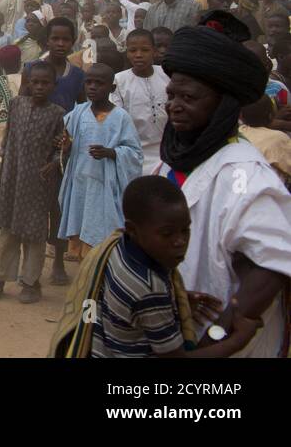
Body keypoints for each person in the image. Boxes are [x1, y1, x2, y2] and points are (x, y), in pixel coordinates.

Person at [152, 18, 291, 357]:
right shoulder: (172, 162)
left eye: (188, 97)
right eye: (171, 95)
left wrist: (222, 333)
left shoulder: (247, 174)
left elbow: (273, 262)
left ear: (222, 104)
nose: (174, 105)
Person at [50, 176, 262, 358]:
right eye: (167, 234)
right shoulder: (149, 289)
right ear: (133, 229)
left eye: (185, 230)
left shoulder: (115, 248)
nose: (180, 241)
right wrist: (237, 342)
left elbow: (102, 301)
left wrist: (174, 300)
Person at [0, 60, 65, 304]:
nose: (39, 87)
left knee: (35, 234)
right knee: (7, 231)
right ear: (27, 83)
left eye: (45, 83)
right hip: (12, 179)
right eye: (34, 82)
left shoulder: (58, 114)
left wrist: (54, 160)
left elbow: (61, 148)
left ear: (53, 85)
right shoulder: (17, 105)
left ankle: (30, 282)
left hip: (39, 184)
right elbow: (6, 143)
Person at [57, 63, 143, 261]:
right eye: (89, 82)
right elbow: (65, 141)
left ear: (112, 88)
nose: (93, 87)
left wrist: (112, 153)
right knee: (80, 238)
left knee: (102, 241)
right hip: (80, 185)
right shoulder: (77, 113)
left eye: (99, 83)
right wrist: (66, 146)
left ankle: (99, 283)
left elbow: (135, 154)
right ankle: (86, 284)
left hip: (105, 187)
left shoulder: (121, 117)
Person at [112, 29, 171, 175]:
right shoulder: (119, 81)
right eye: (133, 50)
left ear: (154, 51)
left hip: (167, 152)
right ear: (127, 53)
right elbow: (116, 120)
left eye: (145, 50)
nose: (138, 55)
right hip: (133, 153)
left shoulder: (167, 75)